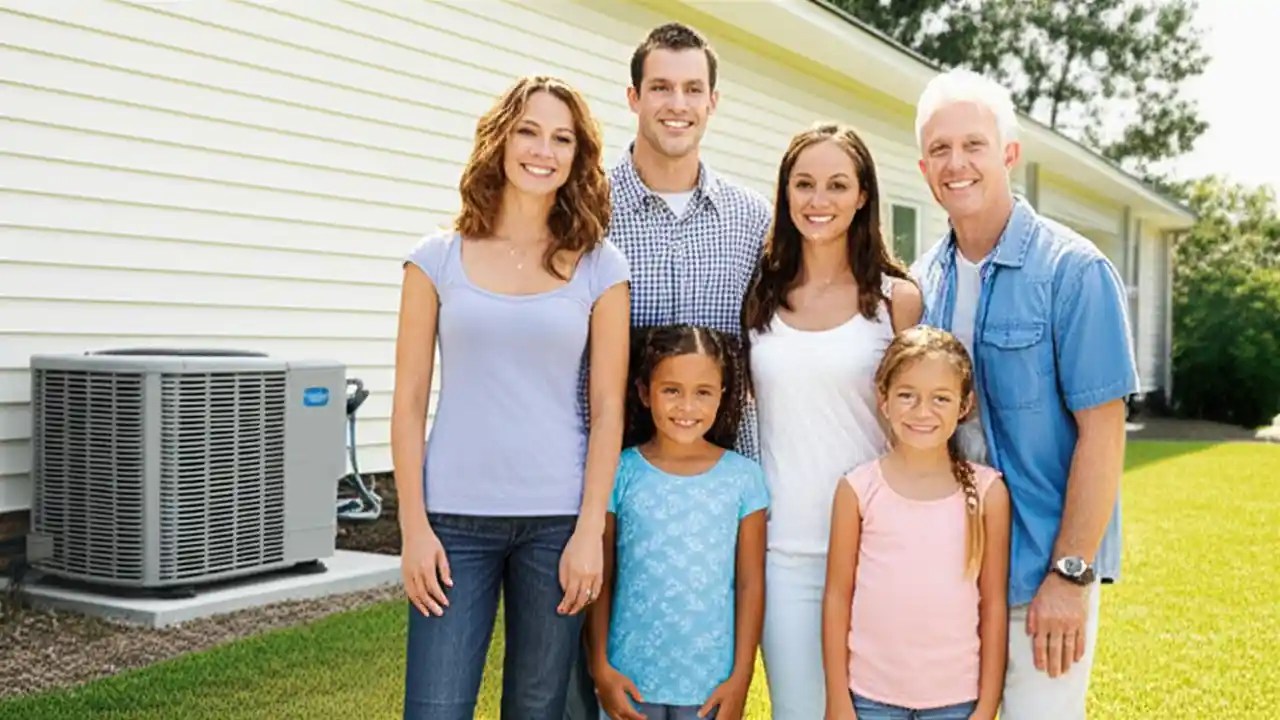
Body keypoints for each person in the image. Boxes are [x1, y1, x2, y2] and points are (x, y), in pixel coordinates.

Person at [391, 75, 631, 719]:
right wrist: (412, 529)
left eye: (562, 138)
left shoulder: (600, 267)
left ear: (578, 157)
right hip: (451, 524)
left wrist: (589, 531)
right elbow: (409, 401)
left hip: (556, 524)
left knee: (535, 708)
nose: (543, 150)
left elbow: (608, 409)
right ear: (499, 140)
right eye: (528, 131)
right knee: (435, 709)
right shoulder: (434, 259)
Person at [910, 68, 1139, 720]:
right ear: (924, 167)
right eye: (941, 150)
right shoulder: (922, 283)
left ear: (1008, 154)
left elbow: (1103, 431)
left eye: (974, 145)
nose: (957, 163)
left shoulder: (1075, 272)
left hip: (1041, 575)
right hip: (950, 580)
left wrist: (1069, 576)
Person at [567, 22, 772, 718]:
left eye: (692, 88)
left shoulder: (752, 219)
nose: (676, 103)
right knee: (590, 688)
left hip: (713, 498)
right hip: (602, 482)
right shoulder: (585, 207)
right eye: (660, 87)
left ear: (713, 103)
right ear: (632, 96)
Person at [741, 122, 923, 719]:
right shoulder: (760, 296)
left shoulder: (898, 301)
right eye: (805, 184)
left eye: (838, 185)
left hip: (880, 552)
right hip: (785, 552)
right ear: (785, 193)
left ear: (864, 195)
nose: (819, 201)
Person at [822, 326, 1011, 720]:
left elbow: (993, 606)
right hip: (869, 698)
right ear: (884, 400)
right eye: (907, 395)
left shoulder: (988, 492)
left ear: (965, 405)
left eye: (940, 398)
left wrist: (987, 704)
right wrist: (838, 700)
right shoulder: (857, 490)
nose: (922, 412)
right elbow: (838, 597)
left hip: (956, 701)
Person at [586, 324, 767, 720]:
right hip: (630, 679)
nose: (687, 407)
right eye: (672, 390)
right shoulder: (619, 471)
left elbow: (751, 583)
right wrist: (600, 666)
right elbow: (603, 576)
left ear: (722, 395)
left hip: (709, 684)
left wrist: (741, 676)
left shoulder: (744, 479)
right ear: (643, 392)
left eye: (703, 392)